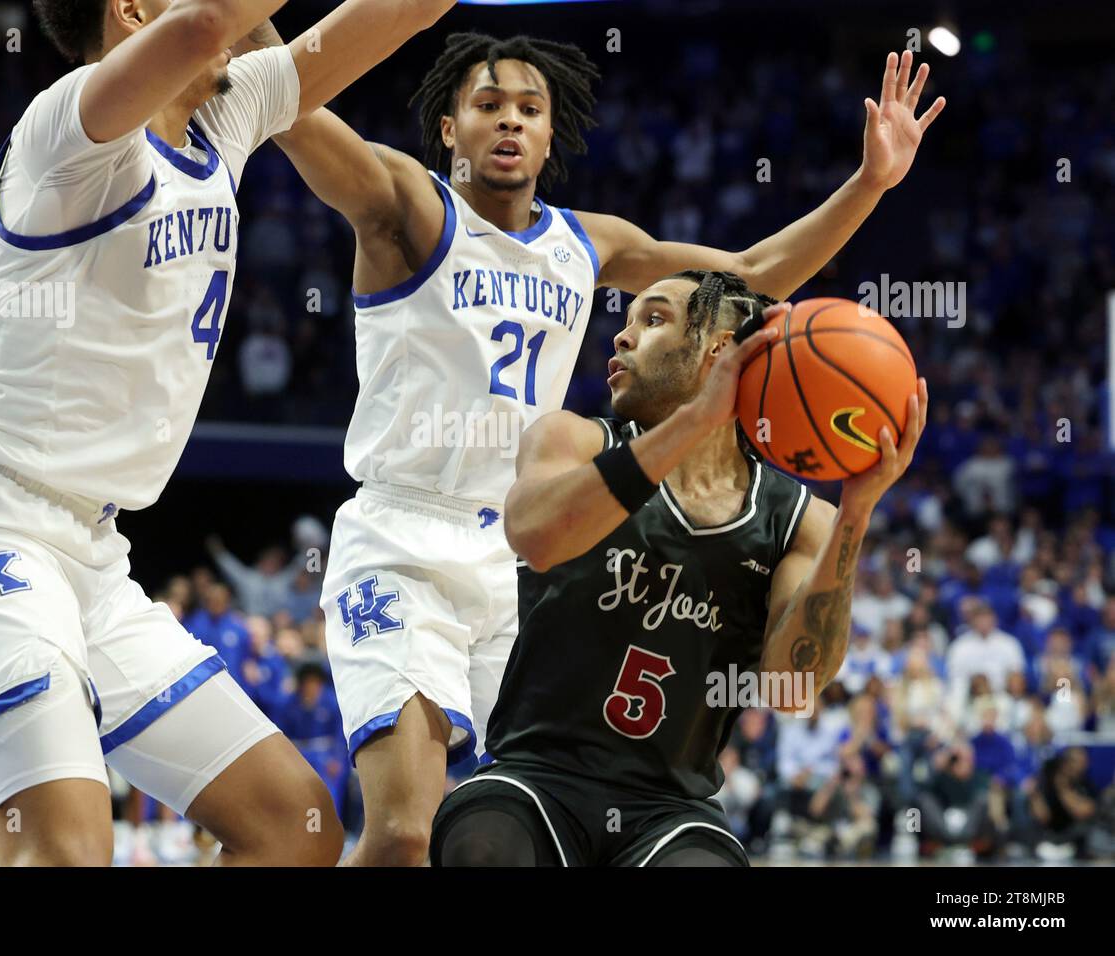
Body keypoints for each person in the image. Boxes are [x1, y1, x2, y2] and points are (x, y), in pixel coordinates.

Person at [246, 19, 945, 863]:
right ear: (448, 127)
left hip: (524, 560)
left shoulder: (591, 242)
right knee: (402, 831)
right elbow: (285, 104)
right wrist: (235, 19)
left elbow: (749, 280)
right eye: (488, 103)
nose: (510, 120)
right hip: (403, 537)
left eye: (530, 108)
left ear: (550, 133)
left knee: (505, 822)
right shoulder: (406, 204)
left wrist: (871, 182)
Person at [0, 0, 458, 866]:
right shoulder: (68, 130)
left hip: (96, 558)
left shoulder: (221, 117)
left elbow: (404, 14)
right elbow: (200, 26)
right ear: (134, 10)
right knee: (66, 851)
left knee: (294, 831)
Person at [430, 271, 927, 865]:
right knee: (484, 848)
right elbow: (535, 536)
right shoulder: (575, 441)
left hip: (671, 809)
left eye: (654, 319)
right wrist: (695, 420)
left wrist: (857, 511)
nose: (622, 336)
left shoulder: (798, 519)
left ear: (720, 350)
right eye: (627, 319)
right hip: (536, 780)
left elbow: (791, 689)